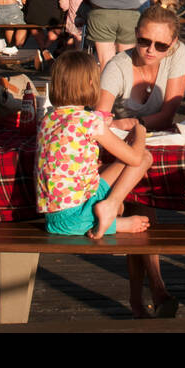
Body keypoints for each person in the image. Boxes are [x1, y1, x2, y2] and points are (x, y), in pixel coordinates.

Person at [94, 1, 185, 317]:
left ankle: (143, 299)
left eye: (160, 45)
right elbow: (100, 119)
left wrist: (134, 124)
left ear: (173, 44)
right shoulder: (117, 66)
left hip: (156, 143)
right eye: (144, 41)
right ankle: (157, 289)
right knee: (142, 209)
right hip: (124, 150)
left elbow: (167, 113)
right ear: (135, 35)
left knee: (142, 211)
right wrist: (126, 129)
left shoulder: (177, 56)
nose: (151, 50)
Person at [37, 50, 153, 245]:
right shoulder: (90, 121)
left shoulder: (47, 119)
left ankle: (111, 208)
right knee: (145, 157)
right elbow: (134, 158)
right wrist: (139, 131)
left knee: (114, 165)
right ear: (91, 84)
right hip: (76, 219)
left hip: (53, 219)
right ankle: (113, 212)